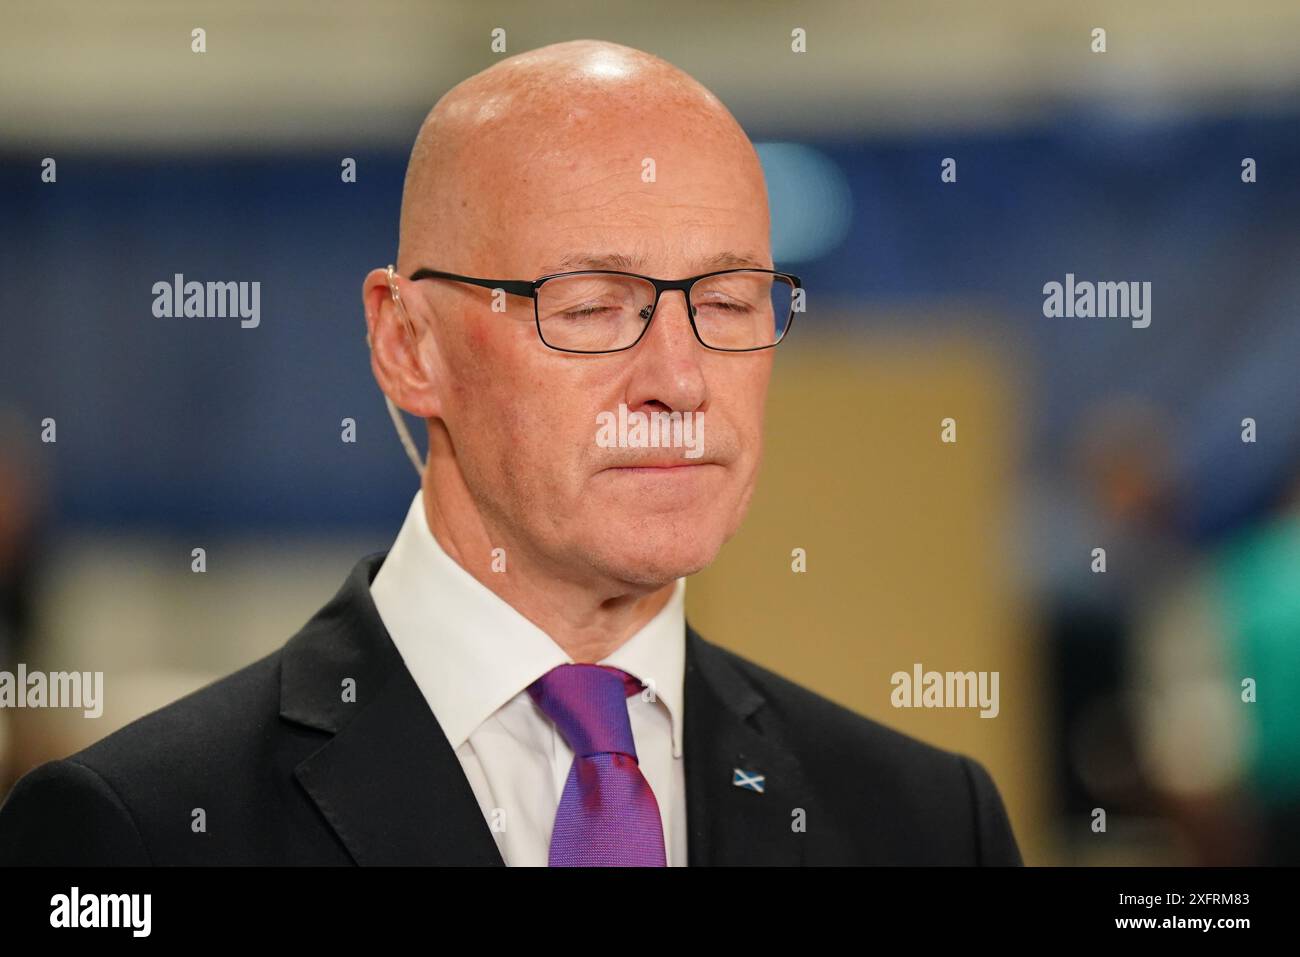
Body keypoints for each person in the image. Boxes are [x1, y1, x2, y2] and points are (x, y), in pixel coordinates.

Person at [0, 39, 1021, 866]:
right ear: (408, 345)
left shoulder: (929, 825)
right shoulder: (138, 833)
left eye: (726, 302)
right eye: (591, 307)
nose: (680, 380)